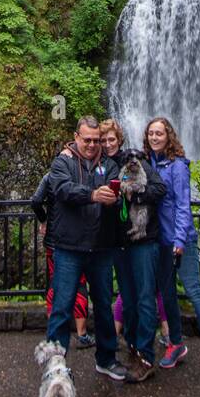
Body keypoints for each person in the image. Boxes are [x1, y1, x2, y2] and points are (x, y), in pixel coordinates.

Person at [146, 116, 200, 388]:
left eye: (159, 133)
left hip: (181, 240)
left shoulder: (178, 166)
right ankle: (176, 344)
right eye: (151, 133)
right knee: (166, 292)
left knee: (193, 290)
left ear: (169, 136)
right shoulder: (149, 165)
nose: (155, 137)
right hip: (159, 241)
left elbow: (183, 205)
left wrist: (180, 238)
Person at [45, 116, 126, 381]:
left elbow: (116, 191)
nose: (92, 144)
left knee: (103, 304)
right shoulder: (62, 162)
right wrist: (92, 195)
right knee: (62, 305)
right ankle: (55, 365)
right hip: (69, 247)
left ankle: (106, 359)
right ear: (76, 137)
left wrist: (115, 198)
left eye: (96, 140)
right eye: (87, 139)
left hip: (101, 248)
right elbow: (62, 189)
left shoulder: (110, 165)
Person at [100, 118, 165, 383]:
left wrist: (133, 196)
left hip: (144, 242)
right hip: (120, 243)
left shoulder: (142, 164)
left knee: (145, 298)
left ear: (120, 141)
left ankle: (147, 356)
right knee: (127, 299)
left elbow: (160, 189)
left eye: (110, 139)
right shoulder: (104, 167)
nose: (106, 144)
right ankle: (134, 349)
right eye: (101, 140)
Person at [32, 169, 92, 349]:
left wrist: (44, 220)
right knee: (80, 283)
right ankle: (82, 334)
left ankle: (53, 334)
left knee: (54, 283)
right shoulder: (80, 174)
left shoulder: (49, 176)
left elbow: (35, 201)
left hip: (53, 240)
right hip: (77, 239)